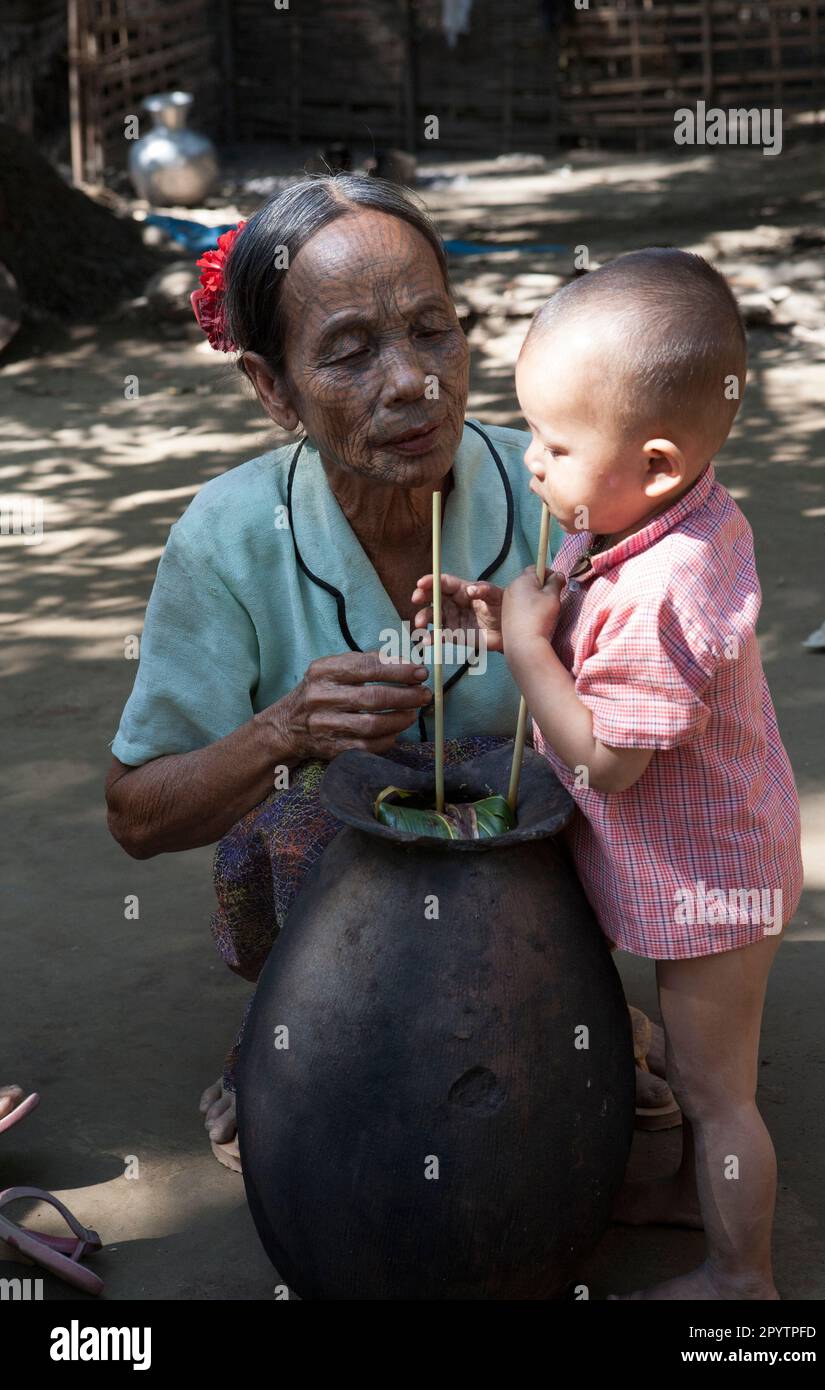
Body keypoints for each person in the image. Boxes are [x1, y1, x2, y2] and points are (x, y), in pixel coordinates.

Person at [104, 175, 674, 1171]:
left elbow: (670, 725)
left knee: (557, 777)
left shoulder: (562, 500)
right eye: (350, 350)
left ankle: (567, 1003)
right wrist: (284, 733)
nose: (413, 382)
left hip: (529, 892)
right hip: (335, 911)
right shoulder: (230, 536)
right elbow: (137, 815)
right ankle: (297, 1023)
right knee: (298, 812)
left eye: (431, 330)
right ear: (271, 388)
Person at [416, 248, 804, 1299]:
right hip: (721, 846)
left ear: (660, 460)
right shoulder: (660, 521)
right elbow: (598, 650)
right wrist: (513, 624)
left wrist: (534, 652)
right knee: (689, 1069)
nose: (529, 465)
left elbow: (608, 759)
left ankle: (740, 1278)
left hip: (712, 877)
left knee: (716, 1092)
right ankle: (691, 1194)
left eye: (552, 443)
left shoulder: (660, 585)